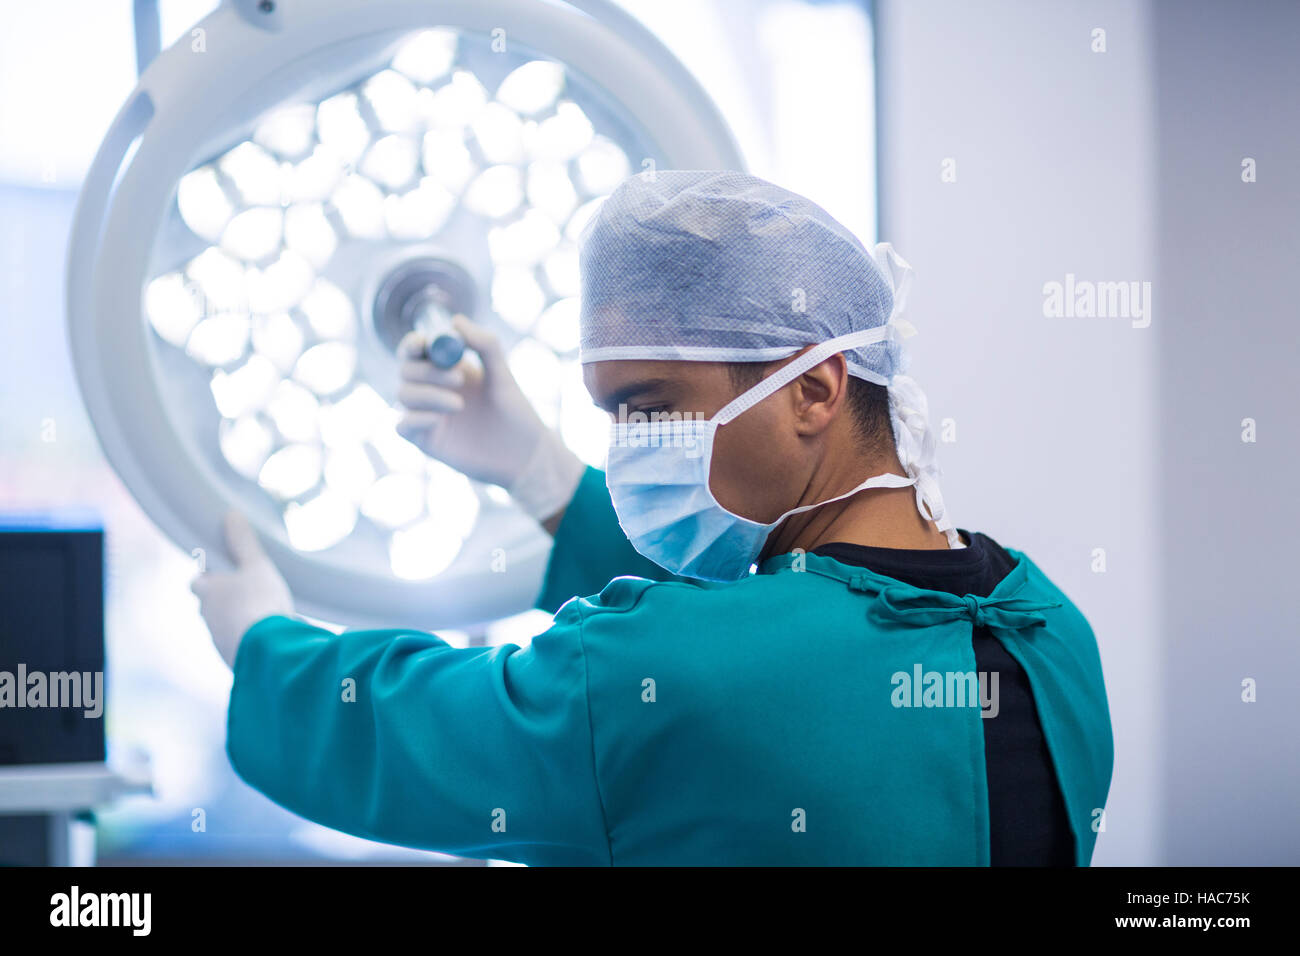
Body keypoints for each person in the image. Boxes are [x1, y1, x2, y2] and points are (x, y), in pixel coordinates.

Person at [192, 171, 1113, 865]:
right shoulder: (1051, 632)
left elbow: (413, 731)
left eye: (650, 408)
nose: (632, 450)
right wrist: (540, 474)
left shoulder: (659, 676)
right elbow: (780, 649)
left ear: (815, 389)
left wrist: (263, 642)